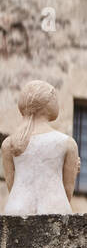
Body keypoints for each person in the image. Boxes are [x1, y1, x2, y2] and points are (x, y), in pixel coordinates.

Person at [2, 80, 79, 215]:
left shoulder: (9, 144)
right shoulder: (67, 143)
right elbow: (67, 193)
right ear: (47, 104)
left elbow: (13, 187)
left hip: (16, 209)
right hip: (55, 209)